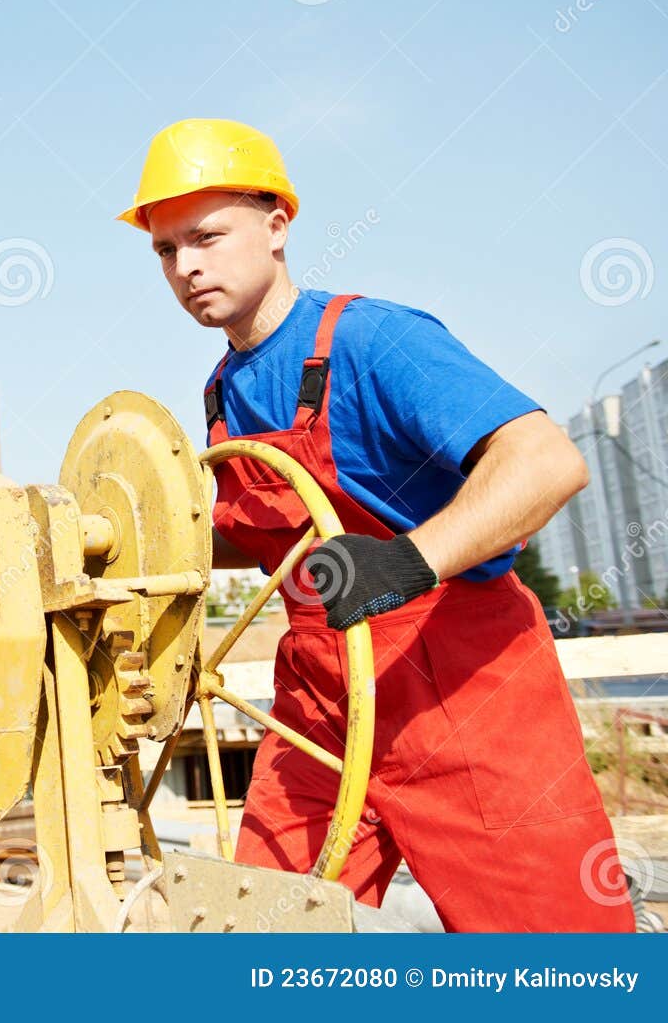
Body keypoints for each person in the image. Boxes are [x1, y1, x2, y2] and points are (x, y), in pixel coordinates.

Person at [117, 118, 634, 932]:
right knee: (258, 936)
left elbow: (544, 461)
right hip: (319, 706)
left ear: (277, 225)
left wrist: (405, 562)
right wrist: (122, 533)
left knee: (558, 961)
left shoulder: (373, 338)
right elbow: (262, 532)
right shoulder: (224, 391)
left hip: (463, 697)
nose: (187, 266)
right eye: (166, 249)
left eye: (208, 237)